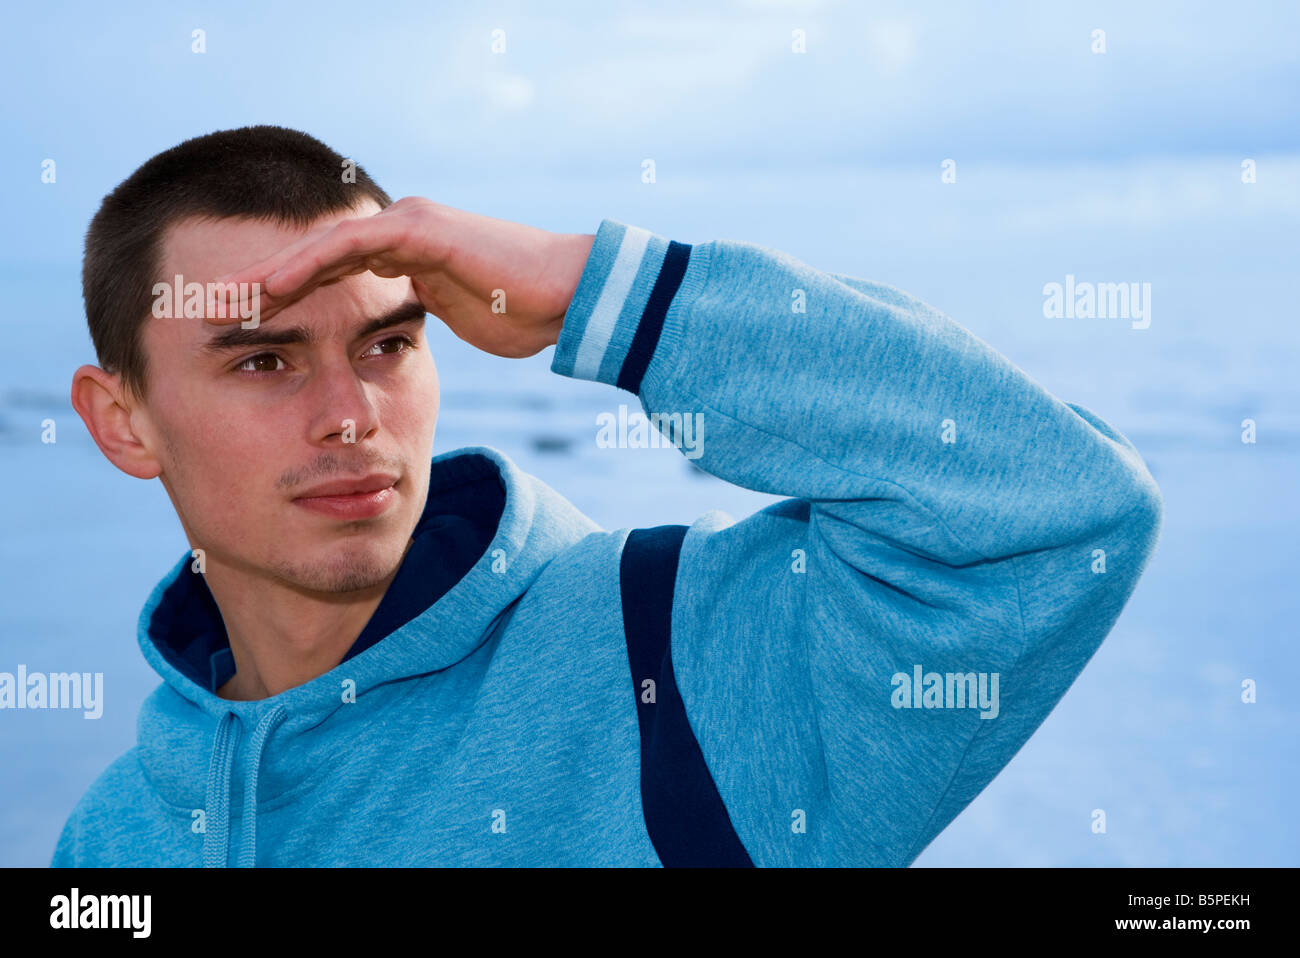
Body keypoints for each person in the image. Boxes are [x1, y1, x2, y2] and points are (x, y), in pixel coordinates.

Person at [53, 125, 1162, 867]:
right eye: (265, 362)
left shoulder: (672, 662)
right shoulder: (116, 835)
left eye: (389, 344)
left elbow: (1058, 514)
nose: (351, 412)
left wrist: (600, 290)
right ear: (123, 420)